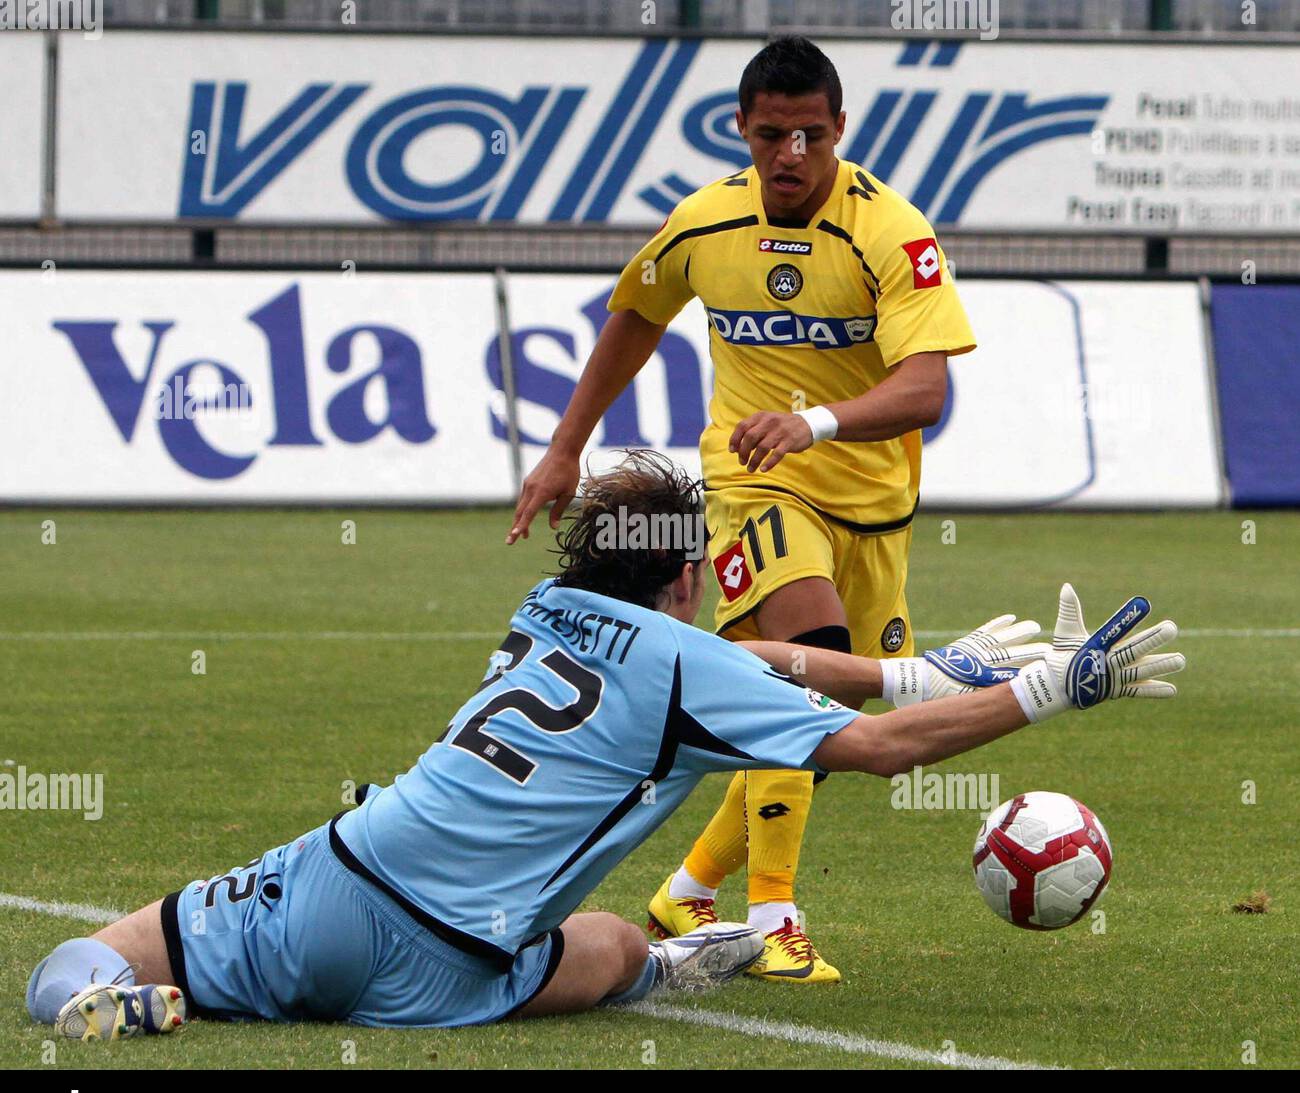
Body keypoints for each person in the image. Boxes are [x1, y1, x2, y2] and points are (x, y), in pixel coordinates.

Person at [27, 453, 1183, 1039]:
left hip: (336, 873)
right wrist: (1042, 691)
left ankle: (117, 1011)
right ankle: (663, 966)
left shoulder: (546, 616)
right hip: (448, 961)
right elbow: (877, 748)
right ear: (687, 576)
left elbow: (787, 670)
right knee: (608, 942)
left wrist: (933, 668)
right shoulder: (689, 661)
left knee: (77, 960)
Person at [507, 35, 977, 981]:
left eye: (809, 135)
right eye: (772, 136)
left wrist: (816, 422)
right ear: (742, 130)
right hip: (754, 481)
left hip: (873, 504)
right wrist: (564, 448)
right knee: (810, 670)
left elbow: (927, 390)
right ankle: (773, 916)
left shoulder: (891, 231)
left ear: (839, 128)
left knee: (849, 712)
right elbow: (636, 315)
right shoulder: (704, 223)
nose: (790, 156)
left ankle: (690, 887)